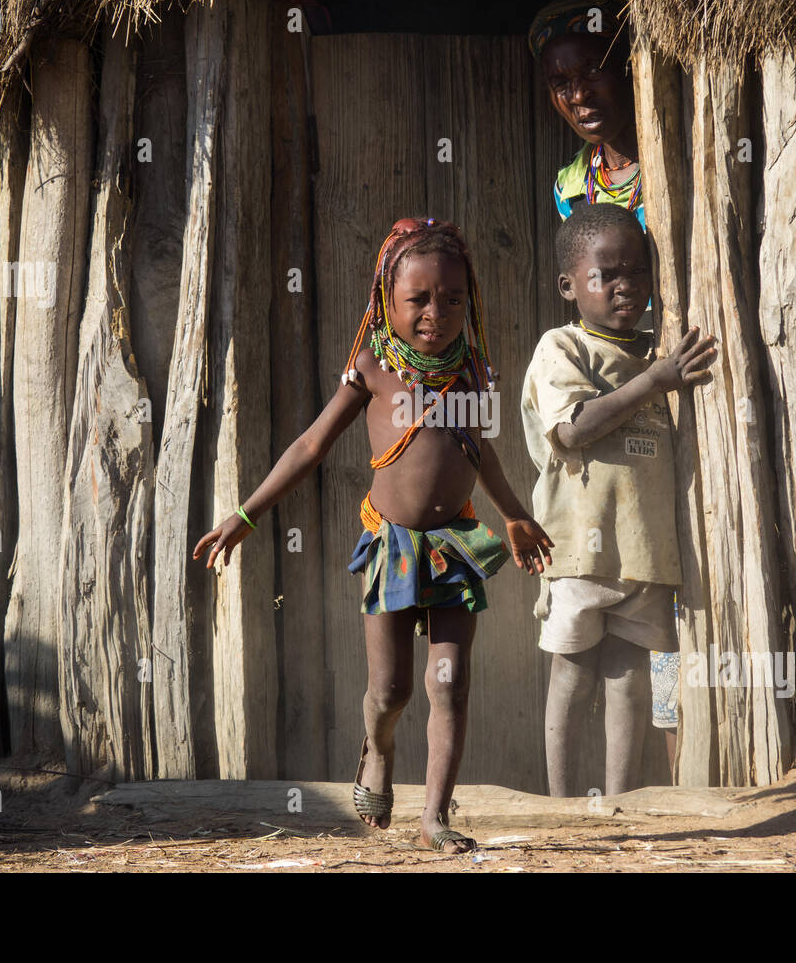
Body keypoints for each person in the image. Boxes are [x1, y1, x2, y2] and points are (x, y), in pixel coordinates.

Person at [194, 217, 552, 853]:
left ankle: (436, 815)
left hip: (455, 547)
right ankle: (378, 747)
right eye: (418, 299)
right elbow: (310, 445)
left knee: (449, 682)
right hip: (391, 547)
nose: (436, 313)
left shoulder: (473, 372)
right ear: (387, 300)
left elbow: (481, 453)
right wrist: (244, 516)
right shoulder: (373, 370)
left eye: (452, 298)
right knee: (391, 690)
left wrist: (514, 515)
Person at [521, 203, 716, 797]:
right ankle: (559, 803)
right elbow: (573, 428)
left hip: (647, 556)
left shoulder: (660, 349)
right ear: (569, 286)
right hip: (579, 553)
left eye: (634, 272)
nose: (623, 286)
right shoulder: (563, 347)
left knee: (631, 682)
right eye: (604, 275)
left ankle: (619, 802)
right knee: (572, 676)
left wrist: (659, 370)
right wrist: (655, 381)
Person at [529, 0, 643, 227]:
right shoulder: (570, 189)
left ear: (628, 68)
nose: (579, 95)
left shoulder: (684, 162)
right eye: (560, 83)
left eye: (593, 71)